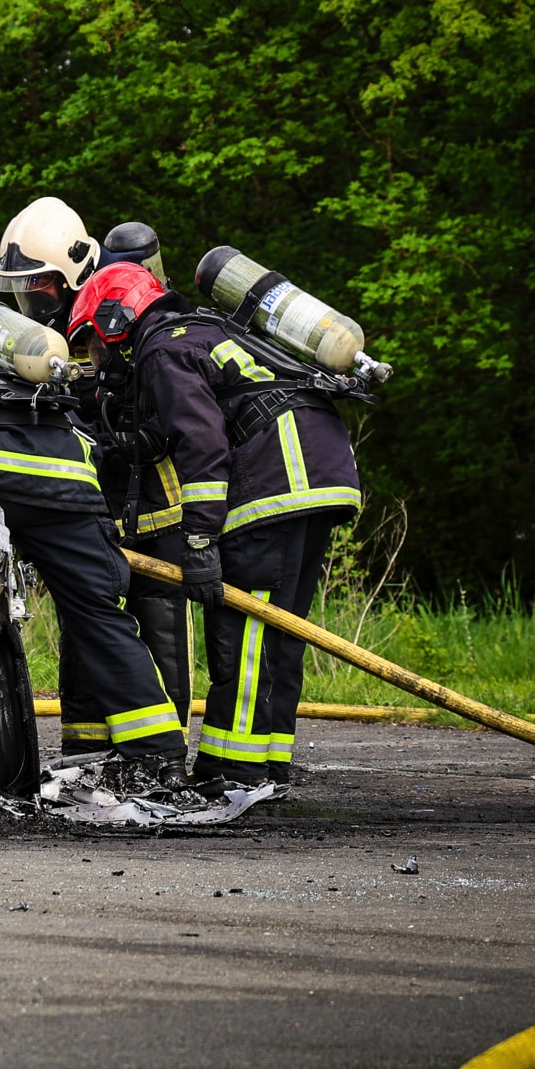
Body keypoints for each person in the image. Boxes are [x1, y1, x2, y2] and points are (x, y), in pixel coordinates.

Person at [68, 261, 361, 792]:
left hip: (275, 482)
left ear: (114, 317)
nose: (96, 354)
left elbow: (200, 446)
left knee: (243, 633)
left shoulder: (160, 351)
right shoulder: (207, 328)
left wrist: (200, 537)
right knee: (281, 630)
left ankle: (234, 771)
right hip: (324, 472)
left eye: (94, 339)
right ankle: (268, 763)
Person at [0, 198, 186, 781]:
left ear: (77, 268)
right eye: (24, 291)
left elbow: (149, 405)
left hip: (139, 500)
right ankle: (116, 754)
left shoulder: (113, 307)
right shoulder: (27, 345)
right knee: (94, 618)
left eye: (43, 285)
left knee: (113, 619)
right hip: (77, 488)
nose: (35, 302)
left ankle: (148, 753)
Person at [86, 221, 192, 727]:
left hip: (162, 507)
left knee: (164, 628)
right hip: (112, 511)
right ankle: (109, 743)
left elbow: (181, 421)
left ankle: (165, 745)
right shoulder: (100, 318)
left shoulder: (168, 330)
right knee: (104, 625)